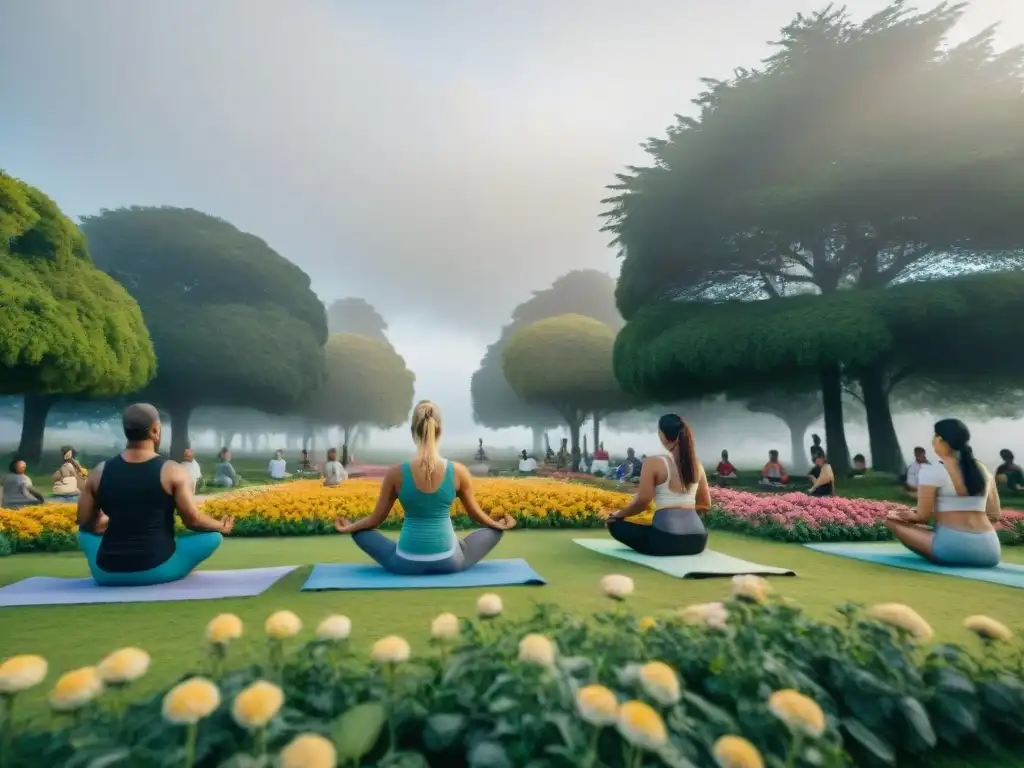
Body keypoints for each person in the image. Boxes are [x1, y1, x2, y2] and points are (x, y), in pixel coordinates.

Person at [332, 400, 514, 574]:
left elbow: (375, 520)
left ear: (413, 431)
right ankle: (461, 546)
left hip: (404, 562)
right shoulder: (458, 471)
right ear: (440, 430)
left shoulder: (396, 473)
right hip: (449, 561)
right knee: (491, 533)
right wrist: (498, 525)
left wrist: (350, 528)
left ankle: (400, 550)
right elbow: (476, 515)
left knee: (360, 534)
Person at [76, 403, 234, 586]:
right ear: (155, 430)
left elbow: (84, 521)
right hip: (156, 568)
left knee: (83, 535)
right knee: (213, 537)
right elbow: (193, 520)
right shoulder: (173, 471)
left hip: (106, 572)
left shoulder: (100, 471)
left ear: (126, 431)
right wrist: (220, 525)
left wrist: (107, 523)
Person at [884, 419, 1001, 567]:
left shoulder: (931, 470)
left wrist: (903, 515)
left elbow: (922, 517)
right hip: (990, 550)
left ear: (939, 439)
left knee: (891, 521)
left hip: (952, 548)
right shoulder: (983, 470)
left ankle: (944, 551)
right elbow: (994, 516)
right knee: (933, 530)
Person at [603, 414, 711, 556]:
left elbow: (643, 501)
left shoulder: (653, 463)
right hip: (697, 541)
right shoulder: (697, 465)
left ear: (662, 435)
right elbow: (705, 503)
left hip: (665, 541)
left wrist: (618, 515)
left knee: (614, 524)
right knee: (649, 528)